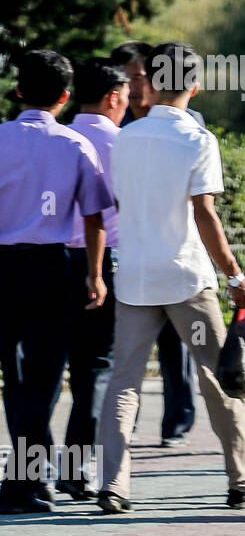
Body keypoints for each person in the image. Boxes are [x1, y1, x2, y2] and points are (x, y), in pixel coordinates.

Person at [97, 42, 245, 513]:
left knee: (124, 382)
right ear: (194, 86)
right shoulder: (199, 140)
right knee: (220, 377)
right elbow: (205, 215)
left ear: (150, 83)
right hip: (185, 277)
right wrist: (234, 273)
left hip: (134, 277)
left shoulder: (125, 139)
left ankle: (113, 485)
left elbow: (119, 204)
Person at [0, 50, 112, 514]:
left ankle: (29, 477)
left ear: (19, 90)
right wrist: (94, 274)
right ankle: (25, 479)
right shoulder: (75, 146)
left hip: (2, 267)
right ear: (66, 98)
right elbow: (94, 217)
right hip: (51, 267)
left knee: (15, 374)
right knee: (45, 377)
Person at [111, 40, 199, 447]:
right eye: (128, 79)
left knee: (176, 347)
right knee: (128, 360)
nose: (135, 86)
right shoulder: (119, 127)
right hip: (133, 257)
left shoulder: (190, 123)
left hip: (175, 255)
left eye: (140, 77)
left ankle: (177, 420)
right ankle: (124, 434)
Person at [59, 59, 130, 501]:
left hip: (49, 260)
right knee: (97, 367)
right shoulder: (123, 143)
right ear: (111, 98)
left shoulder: (59, 136)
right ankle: (77, 465)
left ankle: (43, 470)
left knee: (54, 368)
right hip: (104, 263)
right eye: (124, 98)